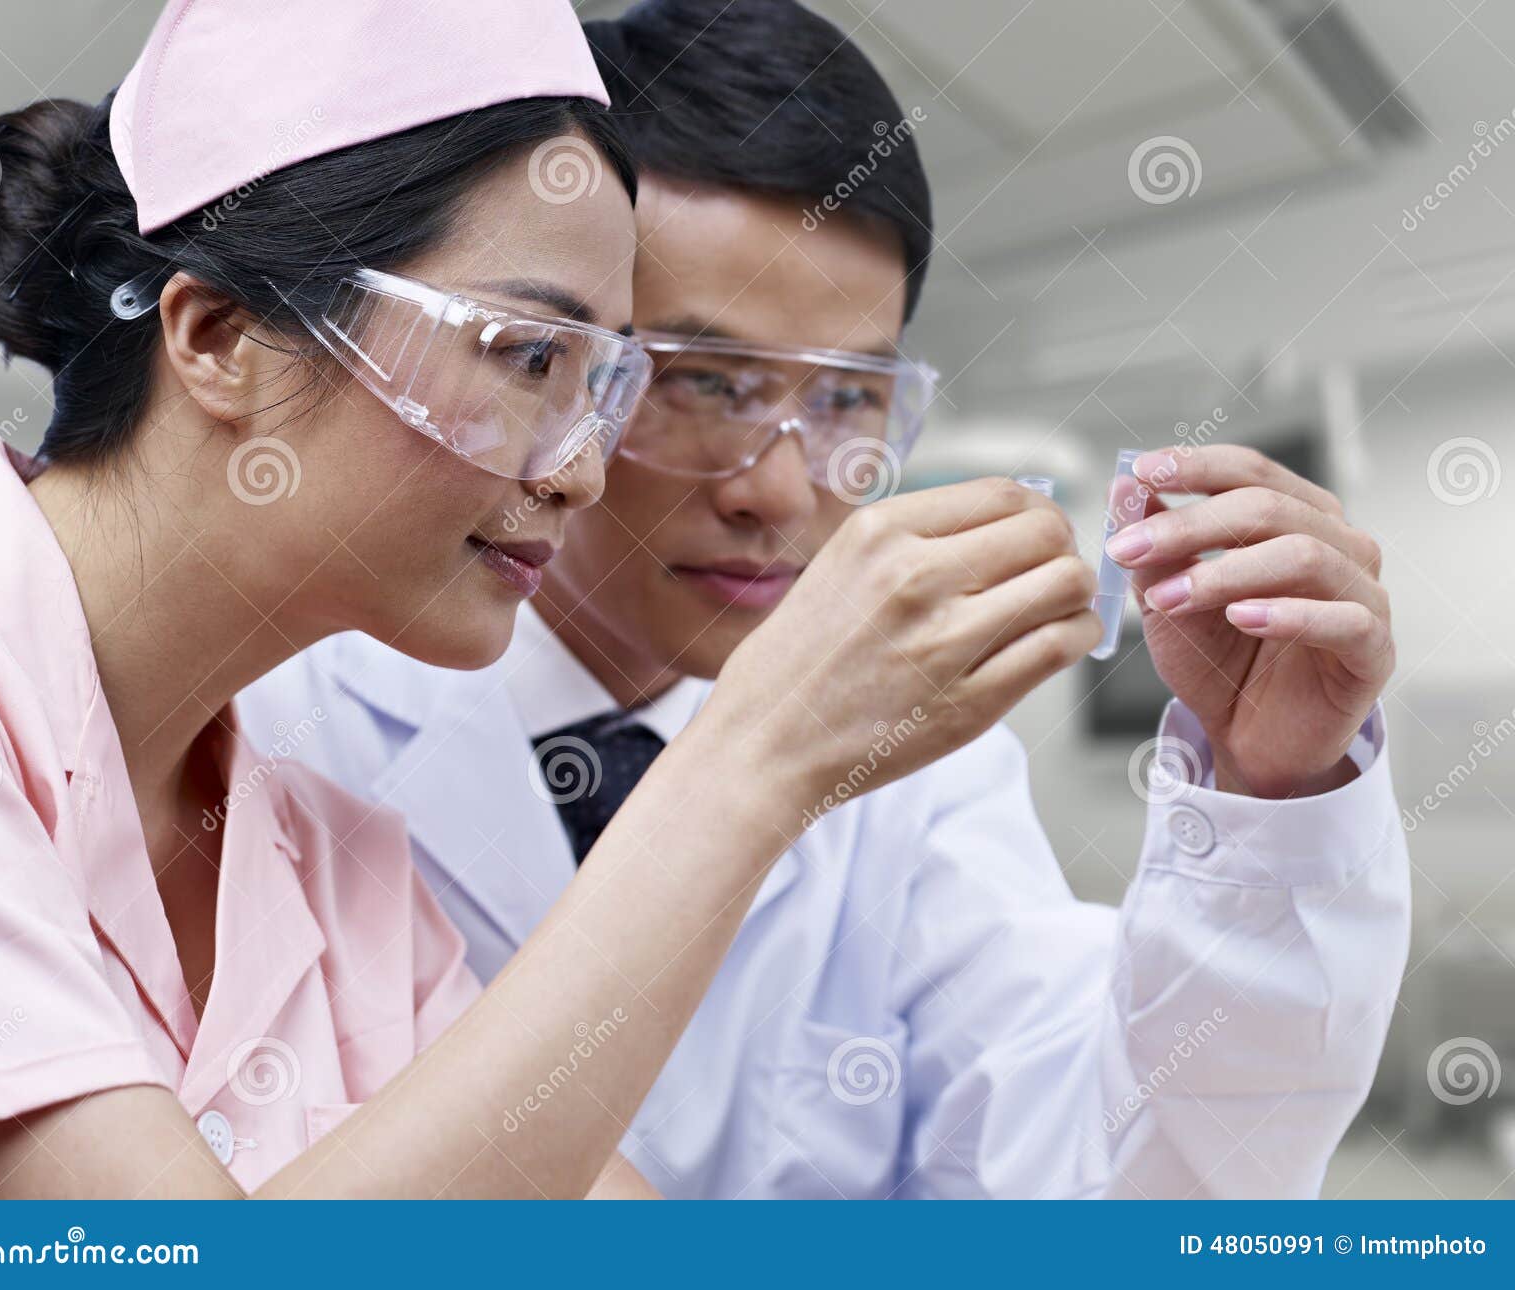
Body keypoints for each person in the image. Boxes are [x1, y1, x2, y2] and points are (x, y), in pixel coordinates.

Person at [0, 0, 1103, 1200]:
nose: (579, 472)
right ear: (222, 337)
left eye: (608, 383)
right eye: (531, 358)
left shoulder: (327, 862)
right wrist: (752, 765)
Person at [241, 0, 1411, 1200]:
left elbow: (1116, 1196)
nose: (780, 488)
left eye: (848, 401)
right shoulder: (282, 724)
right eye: (704, 384)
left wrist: (1275, 798)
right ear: (553, 361)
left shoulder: (924, 769)